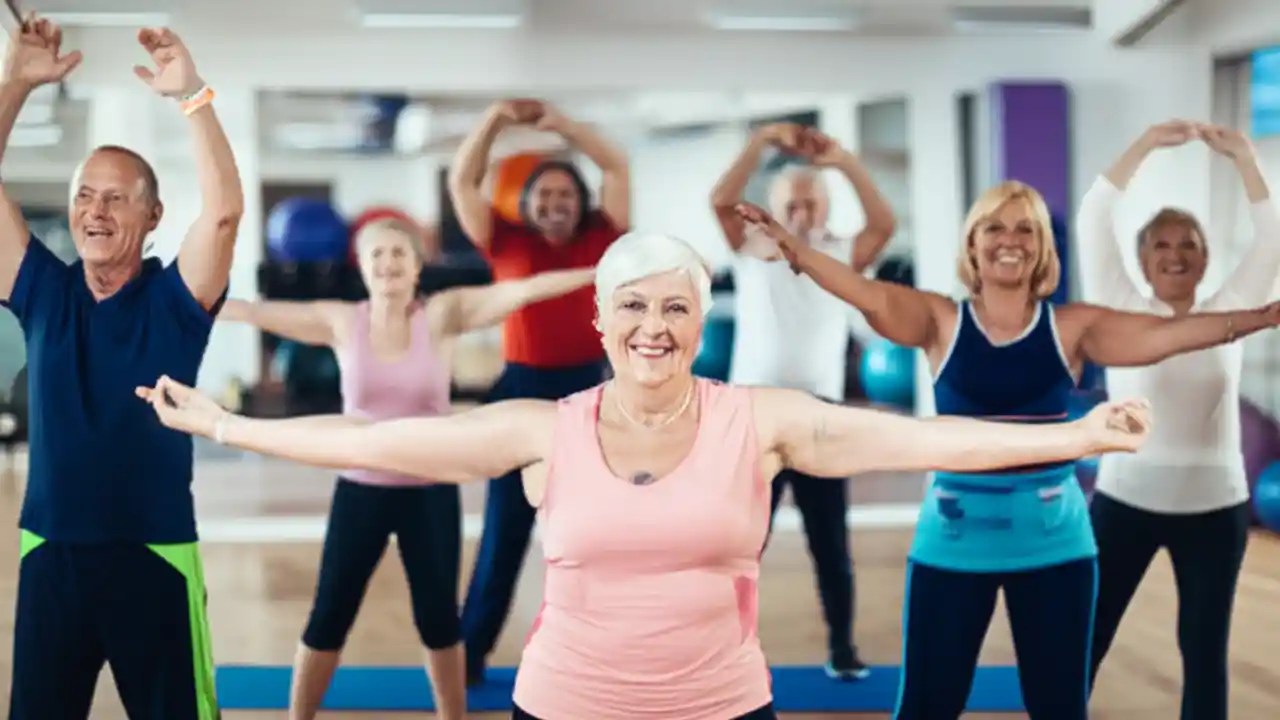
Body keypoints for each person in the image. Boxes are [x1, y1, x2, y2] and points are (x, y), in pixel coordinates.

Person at [138, 230, 1154, 720]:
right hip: (565, 703)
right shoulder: (544, 428)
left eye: (675, 308)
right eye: (632, 306)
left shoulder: (759, 420)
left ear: (699, 321)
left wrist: (1077, 436)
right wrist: (225, 423)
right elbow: (374, 444)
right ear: (600, 322)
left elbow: (926, 441)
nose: (653, 327)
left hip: (723, 705)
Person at [736, 182, 1280, 720]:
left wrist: (1264, 317)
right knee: (927, 707)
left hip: (1055, 547)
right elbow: (864, 292)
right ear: (973, 243)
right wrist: (797, 250)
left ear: (1042, 247)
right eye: (994, 227)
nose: (1010, 240)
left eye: (1026, 229)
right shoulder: (940, 320)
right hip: (953, 543)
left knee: (1059, 711)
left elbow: (1169, 335)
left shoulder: (1073, 328)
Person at [217, 217, 596, 720]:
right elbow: (250, 310)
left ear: (418, 266)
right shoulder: (341, 320)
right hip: (360, 488)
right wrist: (177, 296)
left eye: (399, 253)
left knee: (439, 623)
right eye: (377, 254)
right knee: (329, 616)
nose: (388, 263)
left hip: (429, 490)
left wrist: (598, 273)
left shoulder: (441, 316)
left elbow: (523, 290)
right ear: (362, 267)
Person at [0, 16, 242, 720]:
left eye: (116, 197)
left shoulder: (175, 301)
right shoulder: (44, 292)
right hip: (51, 551)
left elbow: (223, 215)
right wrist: (15, 83)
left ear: (154, 214)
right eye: (84, 195)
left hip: (154, 553)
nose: (95, 211)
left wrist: (193, 96)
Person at [1077, 119, 1280, 720]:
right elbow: (1094, 217)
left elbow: (1272, 234)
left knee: (1203, 651)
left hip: (1215, 511)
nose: (1175, 254)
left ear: (1205, 258)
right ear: (1142, 259)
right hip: (1124, 504)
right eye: (1161, 245)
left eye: (1188, 244)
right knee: (1086, 637)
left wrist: (1243, 157)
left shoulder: (1230, 311)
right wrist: (1143, 145)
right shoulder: (1120, 307)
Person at [447, 96, 630, 683]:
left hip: (587, 392)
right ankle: (468, 654)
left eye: (565, 194)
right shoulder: (505, 240)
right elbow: (462, 180)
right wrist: (494, 119)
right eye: (544, 196)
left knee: (589, 536)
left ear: (581, 201)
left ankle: (596, 654)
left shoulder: (604, 237)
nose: (555, 204)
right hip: (520, 393)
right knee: (505, 533)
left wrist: (567, 127)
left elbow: (617, 167)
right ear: (526, 204)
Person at [710, 123, 896, 680]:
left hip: (820, 418)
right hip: (754, 415)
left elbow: (883, 224)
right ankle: (721, 649)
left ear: (826, 208)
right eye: (791, 203)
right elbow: (720, 199)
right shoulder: (751, 246)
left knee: (830, 544)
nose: (801, 212)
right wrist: (761, 142)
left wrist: (843, 161)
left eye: (811, 203)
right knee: (741, 545)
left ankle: (842, 648)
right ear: (772, 208)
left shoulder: (840, 252)